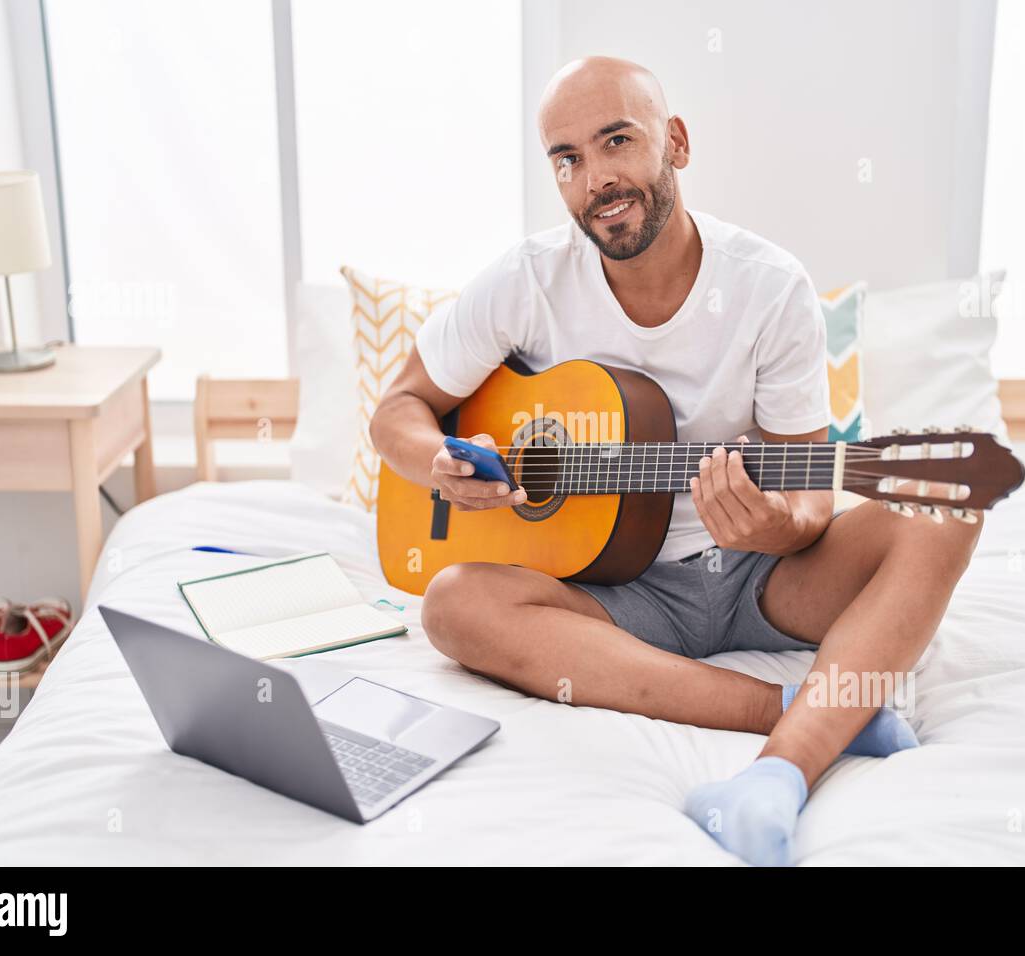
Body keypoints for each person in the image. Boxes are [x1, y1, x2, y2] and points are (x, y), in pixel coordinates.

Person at [370, 56, 981, 866]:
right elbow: (395, 412)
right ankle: (801, 708)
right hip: (610, 594)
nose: (596, 178)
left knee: (950, 505)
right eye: (568, 159)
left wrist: (775, 524)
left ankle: (779, 772)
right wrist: (441, 457)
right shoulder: (525, 282)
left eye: (616, 141)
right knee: (451, 604)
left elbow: (808, 500)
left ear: (677, 143)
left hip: (760, 580)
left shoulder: (769, 287)